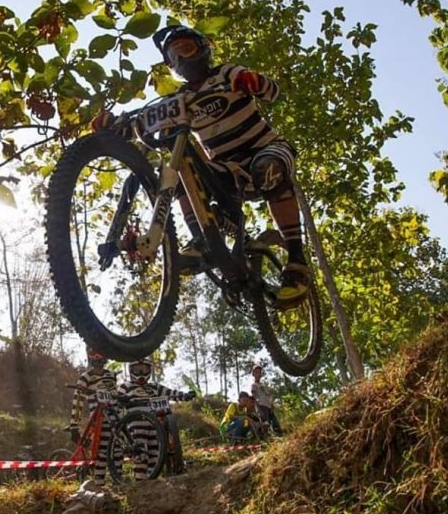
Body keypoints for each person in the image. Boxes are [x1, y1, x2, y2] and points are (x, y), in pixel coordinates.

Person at [93, 24, 308, 305]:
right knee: (178, 165)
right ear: (171, 65)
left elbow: (271, 90)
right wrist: (114, 125)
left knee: (267, 168)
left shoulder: (225, 73)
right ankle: (202, 241)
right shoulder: (178, 99)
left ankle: (296, 261)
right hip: (226, 172)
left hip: (265, 150)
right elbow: (141, 124)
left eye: (187, 49)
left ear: (203, 49)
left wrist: (251, 80)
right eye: (174, 56)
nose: (181, 58)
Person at [118, 359, 195, 478]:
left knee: (155, 453)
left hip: (155, 424)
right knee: (141, 454)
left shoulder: (154, 387)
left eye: (144, 369)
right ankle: (140, 483)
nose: (140, 372)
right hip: (137, 424)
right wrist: (122, 400)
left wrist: (186, 395)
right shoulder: (126, 386)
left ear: (149, 370)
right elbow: (116, 400)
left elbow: (171, 393)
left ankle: (151, 483)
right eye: (137, 370)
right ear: (131, 370)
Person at [68, 347, 118, 485]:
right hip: (98, 419)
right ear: (89, 356)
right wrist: (74, 426)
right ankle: (99, 485)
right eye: (93, 354)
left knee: (118, 449)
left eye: (100, 353)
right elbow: (78, 402)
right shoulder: (85, 377)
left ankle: (119, 483)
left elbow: (115, 395)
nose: (96, 357)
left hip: (115, 416)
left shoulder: (111, 375)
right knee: (101, 452)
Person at [249, 362, 283, 436]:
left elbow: (267, 396)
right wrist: (259, 409)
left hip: (268, 406)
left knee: (275, 422)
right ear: (253, 374)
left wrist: (271, 404)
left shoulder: (263, 386)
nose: (258, 374)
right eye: (256, 372)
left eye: (259, 372)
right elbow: (254, 397)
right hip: (261, 406)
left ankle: (279, 435)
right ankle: (265, 438)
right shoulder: (254, 385)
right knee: (265, 423)